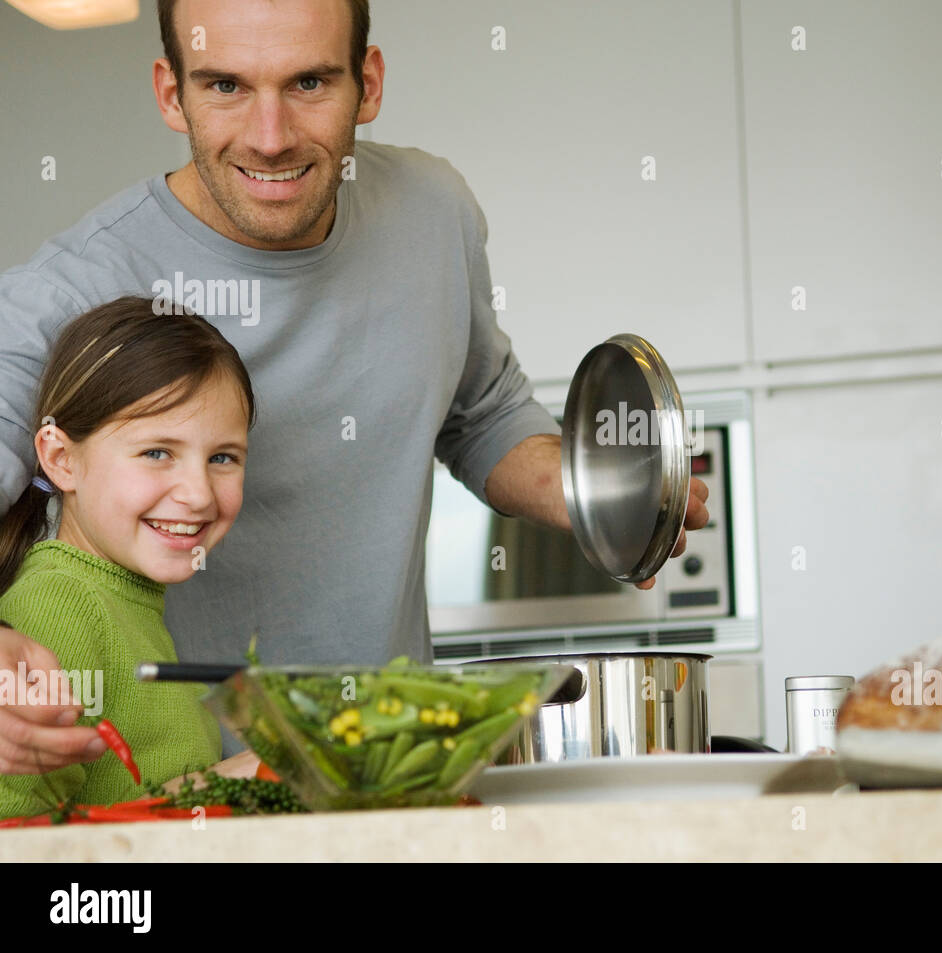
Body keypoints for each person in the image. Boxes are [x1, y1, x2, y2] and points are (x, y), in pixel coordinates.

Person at [0, 0, 708, 775]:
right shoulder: (70, 293)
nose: (270, 138)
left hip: (388, 774)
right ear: (173, 94)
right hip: (186, 798)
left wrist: (595, 488)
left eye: (309, 82)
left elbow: (483, 409)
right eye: (226, 86)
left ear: (367, 82)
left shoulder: (432, 214)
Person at [0, 296, 253, 814]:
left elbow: (128, 798)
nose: (200, 493)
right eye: (157, 452)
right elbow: (21, 837)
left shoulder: (128, 598)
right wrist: (247, 777)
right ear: (61, 459)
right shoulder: (56, 607)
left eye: (222, 457)